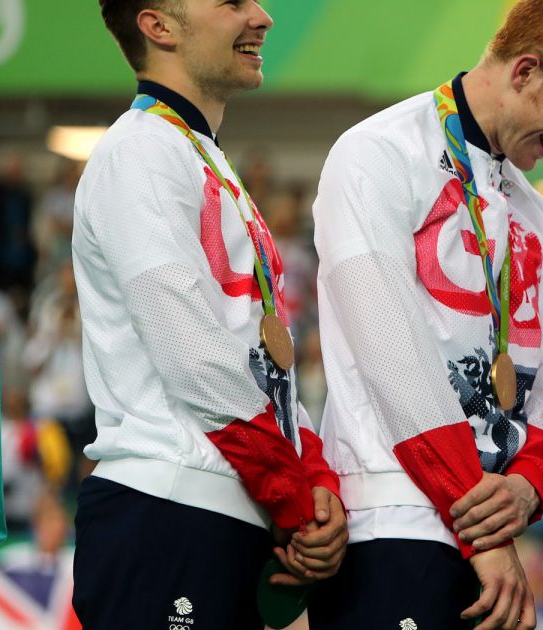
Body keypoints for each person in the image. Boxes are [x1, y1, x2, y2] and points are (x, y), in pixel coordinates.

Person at [307, 1, 543, 628]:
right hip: (395, 520)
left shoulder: (526, 202)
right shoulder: (375, 154)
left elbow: (537, 367)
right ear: (525, 72)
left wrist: (528, 482)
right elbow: (392, 360)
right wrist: (483, 534)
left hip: (484, 537)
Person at [72, 2, 345, 628]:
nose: (263, 16)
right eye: (231, 1)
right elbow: (192, 354)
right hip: (170, 503)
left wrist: (313, 475)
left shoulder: (198, 154)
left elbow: (256, 356)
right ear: (159, 26)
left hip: (235, 503)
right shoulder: (137, 152)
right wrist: (297, 496)